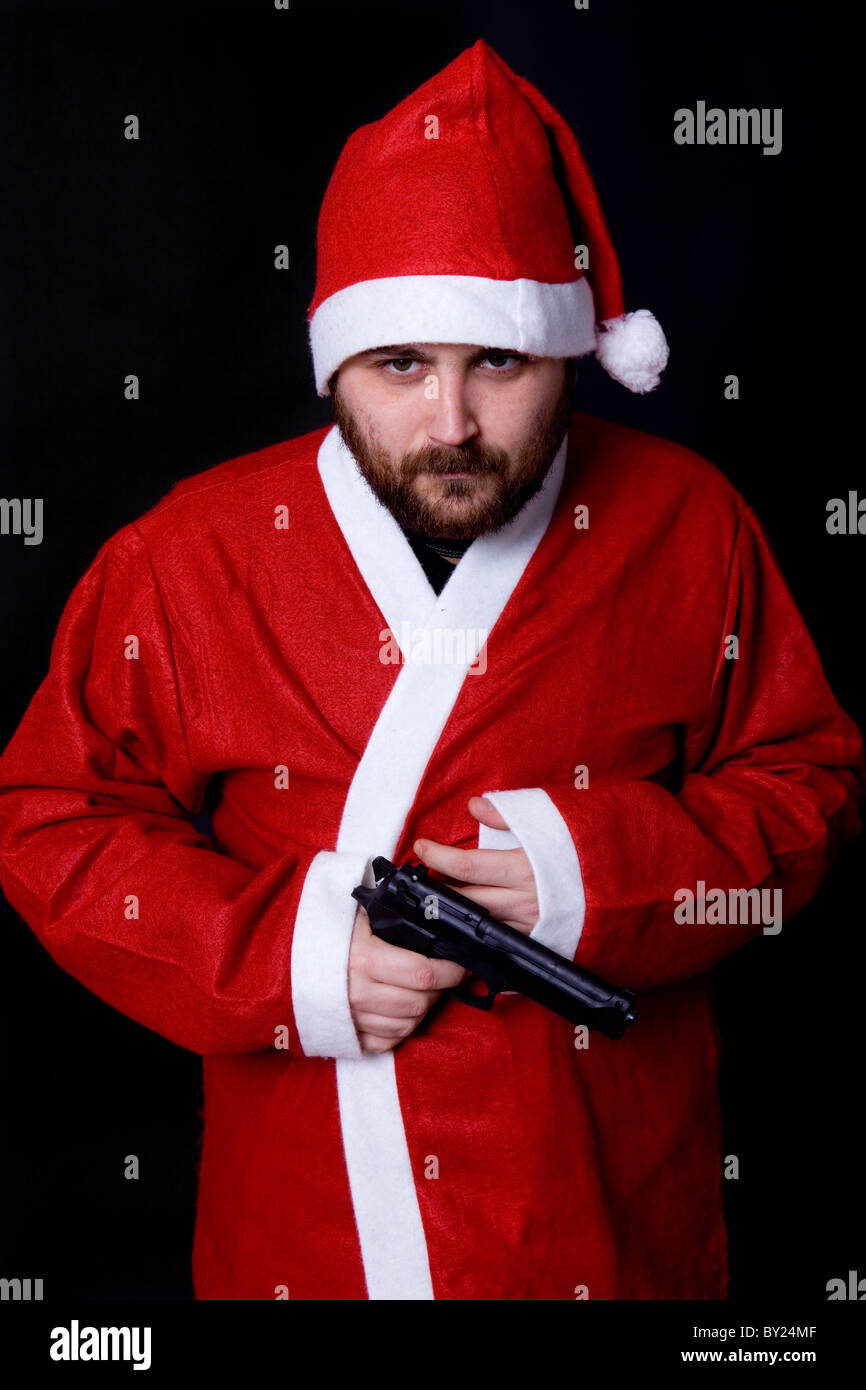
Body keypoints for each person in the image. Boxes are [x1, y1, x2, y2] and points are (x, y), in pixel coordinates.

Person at [0, 38, 861, 1301]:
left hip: (609, 1230)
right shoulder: (183, 557)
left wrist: (593, 872)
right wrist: (283, 959)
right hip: (304, 1231)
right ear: (334, 361)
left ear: (566, 352)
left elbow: (809, 782)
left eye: (496, 362)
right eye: (401, 364)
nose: (449, 423)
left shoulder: (689, 523)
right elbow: (49, 818)